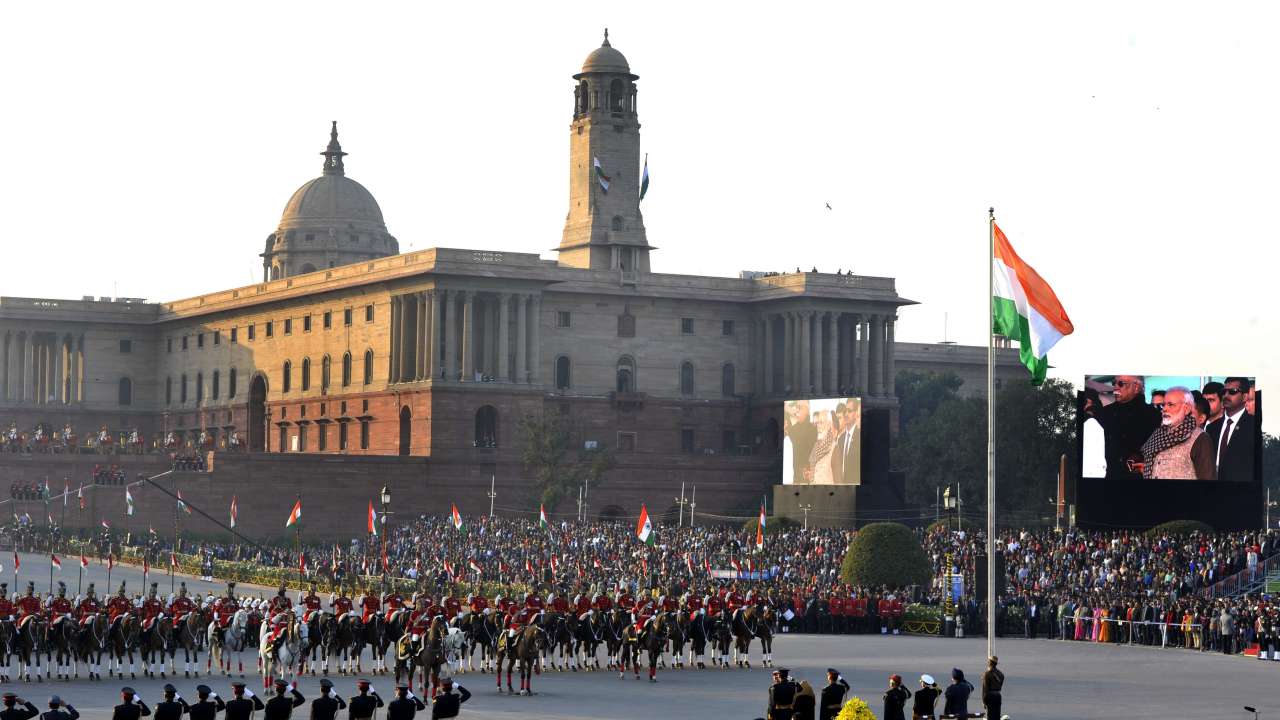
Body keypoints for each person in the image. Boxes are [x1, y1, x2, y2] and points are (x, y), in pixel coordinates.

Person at [1089, 375, 1161, 480]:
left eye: (1121, 384)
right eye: (1114, 383)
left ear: (1136, 387)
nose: (1115, 387)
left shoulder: (1154, 416)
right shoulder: (1103, 414)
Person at [1141, 387, 1215, 480]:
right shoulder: (1157, 434)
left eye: (1170, 404)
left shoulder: (1200, 438)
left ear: (1187, 408)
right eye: (1163, 405)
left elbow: (1208, 479)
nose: (1164, 409)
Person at [1206, 377, 1257, 483]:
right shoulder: (1212, 428)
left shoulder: (1253, 425)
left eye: (1232, 392)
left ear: (1244, 397)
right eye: (1223, 392)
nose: (1226, 395)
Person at [785, 401, 816, 484]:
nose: (797, 410)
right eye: (796, 407)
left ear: (807, 410)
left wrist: (789, 411)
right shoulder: (795, 428)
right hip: (796, 477)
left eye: (800, 407)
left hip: (806, 477)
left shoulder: (812, 429)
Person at [981, 656, 1005, 720]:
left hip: (990, 697)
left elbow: (985, 689)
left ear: (989, 663)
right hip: (998, 696)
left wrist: (984, 701)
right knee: (997, 716)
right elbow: (1000, 686)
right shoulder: (1001, 674)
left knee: (990, 716)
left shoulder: (987, 674)